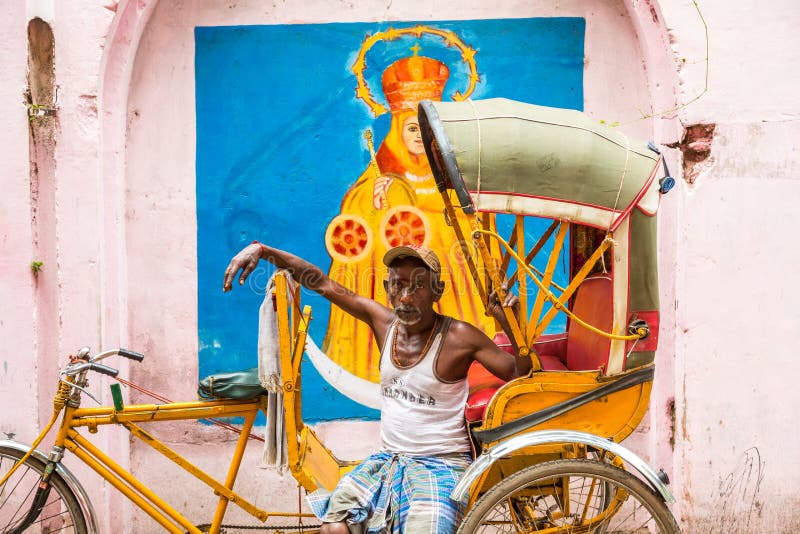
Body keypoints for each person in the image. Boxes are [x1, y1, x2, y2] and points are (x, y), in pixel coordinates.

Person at [223, 241, 530, 533]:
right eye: (398, 284)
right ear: (387, 289)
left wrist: (511, 323)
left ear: (438, 291)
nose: (406, 296)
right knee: (334, 526)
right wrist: (262, 250)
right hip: (389, 461)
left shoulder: (459, 337)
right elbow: (320, 282)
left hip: (442, 465)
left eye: (419, 286)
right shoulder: (383, 322)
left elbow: (520, 373)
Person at [323, 54, 497, 385]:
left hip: (449, 289)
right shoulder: (379, 176)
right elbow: (356, 226)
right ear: (397, 127)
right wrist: (374, 203)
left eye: (427, 128)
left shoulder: (452, 175)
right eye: (412, 127)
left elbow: (473, 220)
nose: (419, 135)